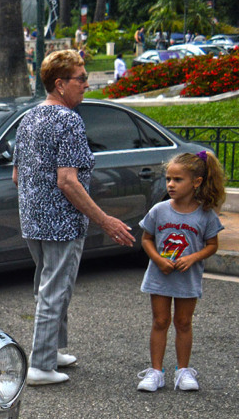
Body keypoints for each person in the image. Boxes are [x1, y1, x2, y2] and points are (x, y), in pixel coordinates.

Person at [13, 49, 136, 387]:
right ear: (60, 84)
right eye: (81, 79)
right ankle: (40, 364)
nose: (87, 84)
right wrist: (105, 220)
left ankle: (50, 351)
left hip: (32, 219)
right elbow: (68, 180)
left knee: (49, 286)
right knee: (56, 288)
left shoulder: (29, 117)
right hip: (62, 223)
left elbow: (16, 175)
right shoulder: (69, 120)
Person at [134, 152, 225, 392]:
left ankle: (183, 371)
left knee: (184, 322)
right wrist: (158, 260)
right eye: (168, 179)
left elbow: (212, 245)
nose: (171, 185)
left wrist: (193, 257)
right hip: (159, 276)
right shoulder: (159, 210)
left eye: (177, 180)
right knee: (160, 321)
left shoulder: (205, 214)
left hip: (187, 278)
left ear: (196, 182)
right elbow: (146, 239)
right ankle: (156, 372)